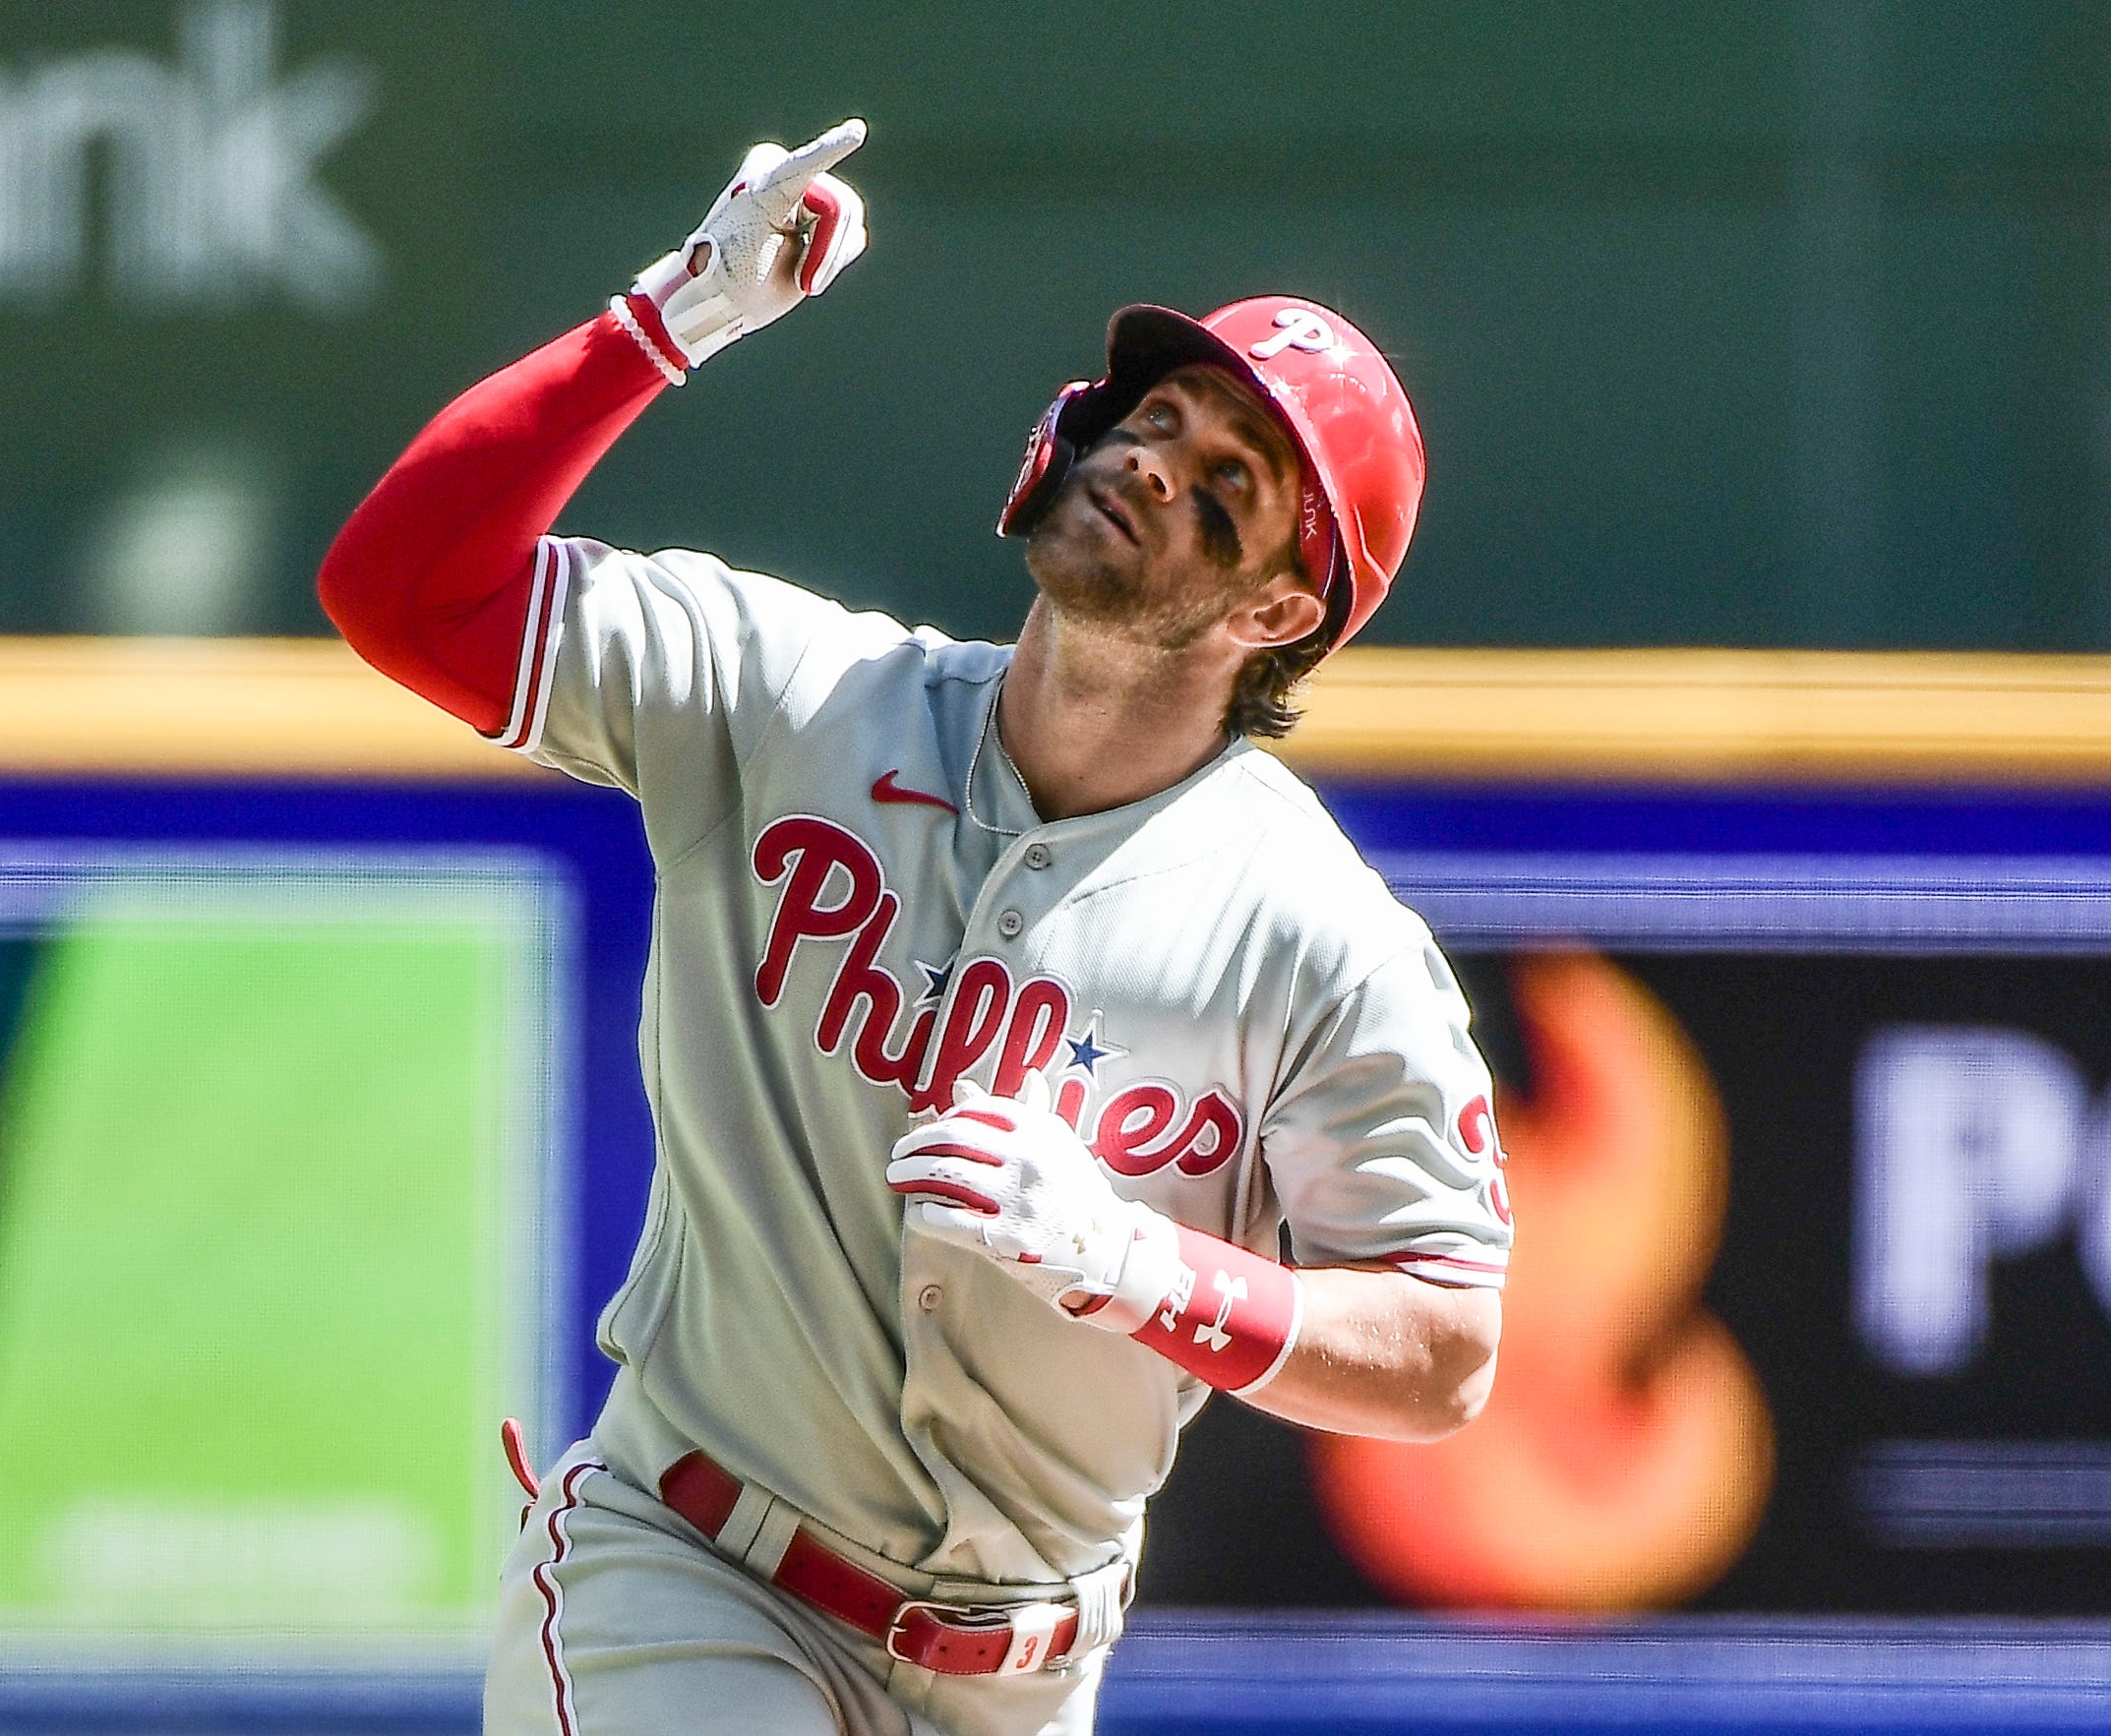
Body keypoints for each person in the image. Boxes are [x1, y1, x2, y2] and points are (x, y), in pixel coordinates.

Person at [320, 119, 1510, 1736]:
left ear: (1280, 609)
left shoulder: (1317, 937)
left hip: (1029, 1674)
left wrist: (1141, 1266)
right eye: (1154, 417)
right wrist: (661, 323)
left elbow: (1441, 1342)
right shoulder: (789, 691)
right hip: (688, 1570)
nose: (1155, 459)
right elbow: (403, 589)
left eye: (1230, 477)